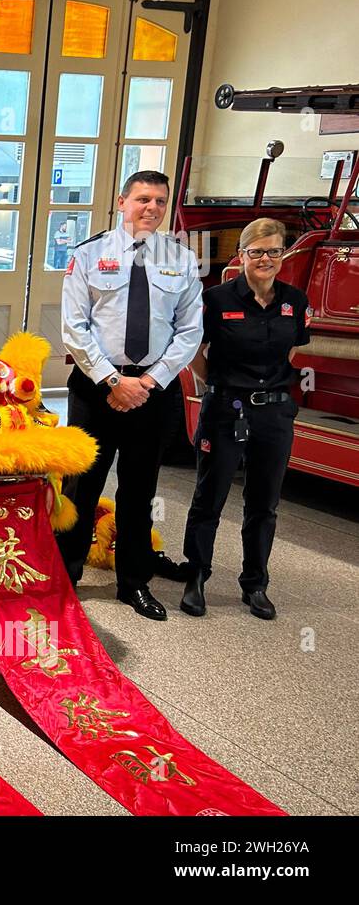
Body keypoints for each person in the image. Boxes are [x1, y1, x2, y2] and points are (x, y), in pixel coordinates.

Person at [59, 170, 203, 620]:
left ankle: (133, 583)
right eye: (143, 199)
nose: (152, 208)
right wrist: (111, 380)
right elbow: (74, 327)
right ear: (121, 202)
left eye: (160, 201)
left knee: (140, 492)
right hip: (95, 388)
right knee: (81, 488)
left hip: (151, 392)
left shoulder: (180, 260)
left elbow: (190, 330)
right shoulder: (89, 255)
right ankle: (65, 576)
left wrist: (150, 381)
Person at [179, 218, 308, 621]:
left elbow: (292, 353)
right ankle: (196, 575)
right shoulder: (217, 299)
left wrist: (268, 389)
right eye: (256, 252)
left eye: (273, 251)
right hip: (225, 408)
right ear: (242, 255)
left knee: (264, 503)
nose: (265, 259)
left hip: (273, 413)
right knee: (209, 497)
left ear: (283, 254)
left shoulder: (295, 301)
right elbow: (193, 350)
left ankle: (255, 583)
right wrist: (218, 383)